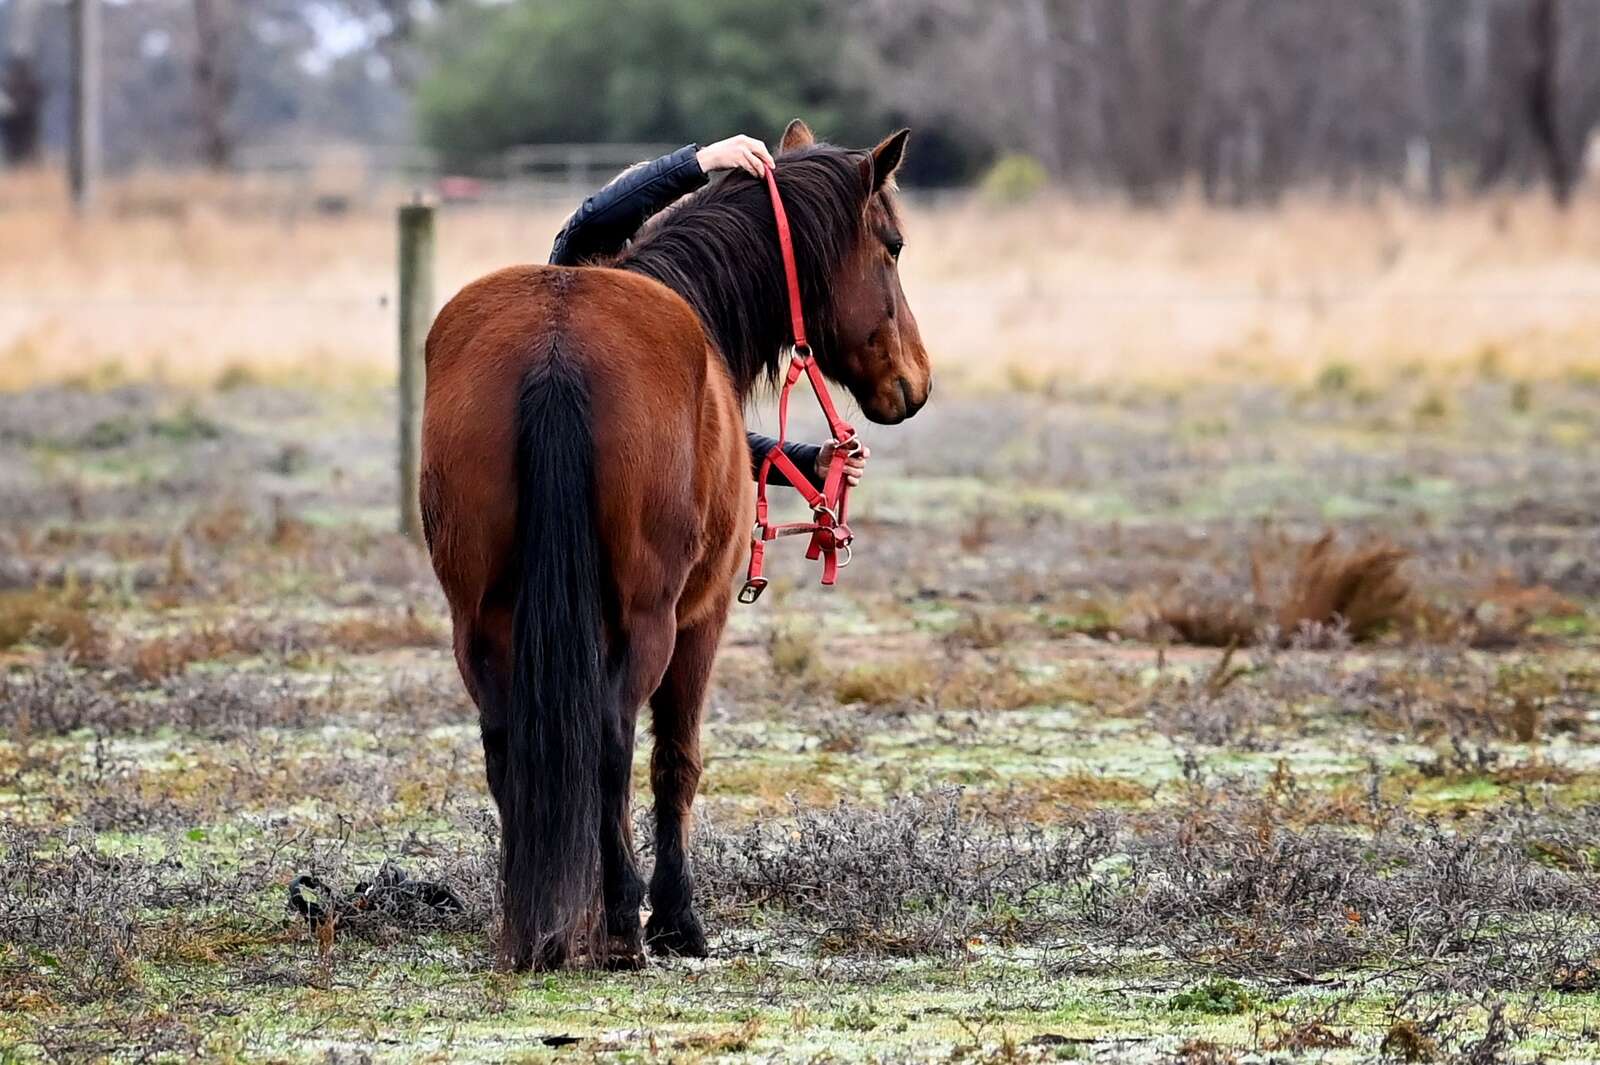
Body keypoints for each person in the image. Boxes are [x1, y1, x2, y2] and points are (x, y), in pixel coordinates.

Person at [548, 134, 869, 492]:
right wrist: (702, 162)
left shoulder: (677, 309)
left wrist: (806, 462)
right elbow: (591, 223)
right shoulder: (582, 275)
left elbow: (700, 430)